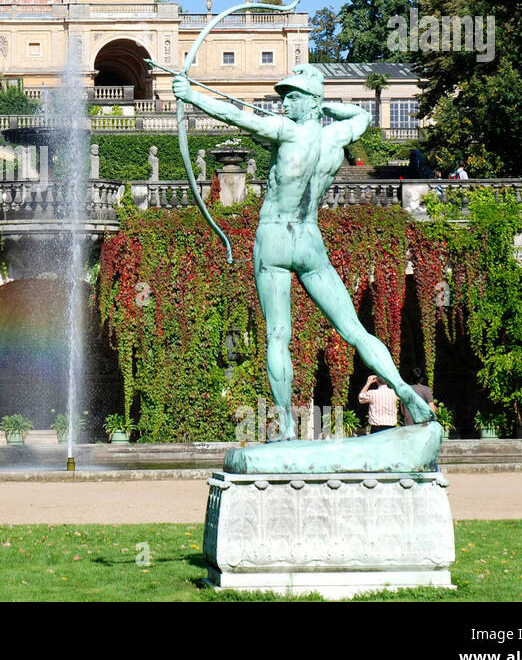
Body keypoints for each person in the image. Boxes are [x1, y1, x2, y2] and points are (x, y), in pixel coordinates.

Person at [173, 63, 433, 439]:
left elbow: (234, 115)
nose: (285, 103)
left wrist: (190, 94)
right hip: (310, 240)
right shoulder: (335, 139)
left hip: (276, 237)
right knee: (355, 331)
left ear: (310, 101)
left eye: (293, 96)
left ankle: (287, 429)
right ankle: (405, 391)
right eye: (284, 97)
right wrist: (327, 109)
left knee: (278, 335)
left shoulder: (286, 132)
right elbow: (361, 115)